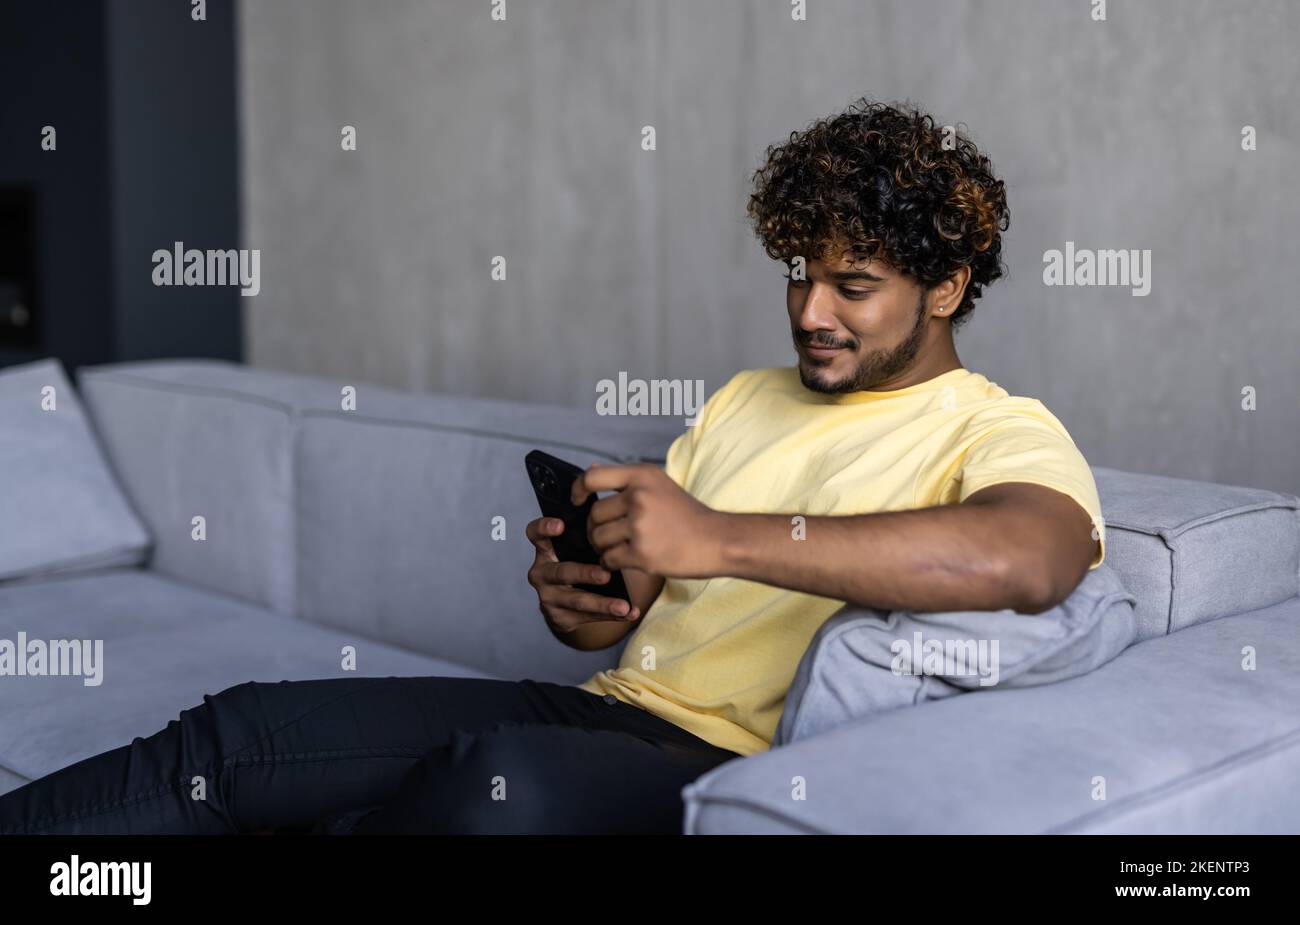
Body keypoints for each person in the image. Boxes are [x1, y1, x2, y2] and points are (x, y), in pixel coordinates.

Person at [0, 98, 1103, 834]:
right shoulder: (748, 398)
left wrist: (713, 536)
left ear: (947, 287)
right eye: (796, 274)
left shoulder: (991, 427)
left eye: (850, 285)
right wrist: (602, 596)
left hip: (743, 771)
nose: (809, 313)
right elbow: (635, 620)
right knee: (245, 732)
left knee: (491, 790)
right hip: (609, 712)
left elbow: (1027, 556)